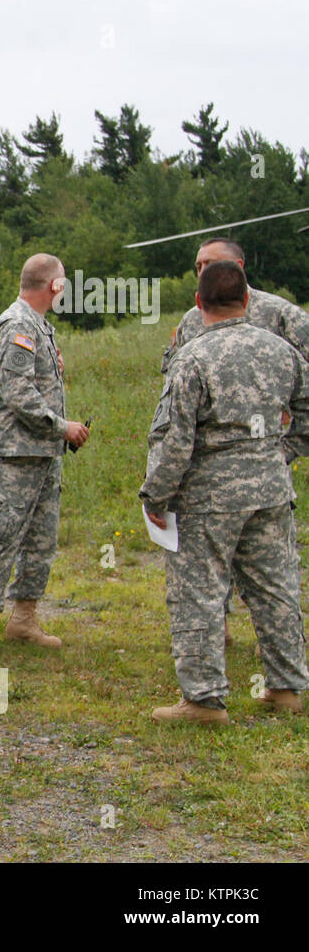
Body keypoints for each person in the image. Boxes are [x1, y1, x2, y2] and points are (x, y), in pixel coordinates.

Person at [141, 261, 309, 723]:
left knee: (198, 592)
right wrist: (280, 452)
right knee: (275, 588)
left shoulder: (192, 358)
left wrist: (156, 495)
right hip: (270, 491)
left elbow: (176, 440)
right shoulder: (282, 351)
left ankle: (203, 699)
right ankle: (286, 689)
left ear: (199, 302)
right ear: (247, 300)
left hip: (208, 498)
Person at [0, 254, 89, 661]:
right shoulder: (17, 325)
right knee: (2, 537)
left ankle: (24, 618)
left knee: (40, 540)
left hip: (42, 453)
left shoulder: (38, 326)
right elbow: (17, 393)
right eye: (64, 283)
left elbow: (32, 380)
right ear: (55, 286)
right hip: (15, 454)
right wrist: (63, 427)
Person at [160, 237, 309, 374]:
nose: (203, 273)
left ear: (238, 266)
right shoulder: (191, 320)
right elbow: (172, 372)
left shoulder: (281, 313)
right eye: (199, 267)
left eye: (211, 264)